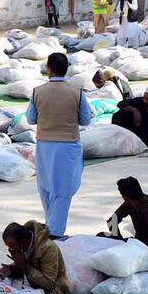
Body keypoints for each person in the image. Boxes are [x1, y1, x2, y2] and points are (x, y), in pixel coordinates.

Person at [27, 52, 91, 237]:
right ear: (66, 69)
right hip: (68, 145)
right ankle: (54, 231)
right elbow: (85, 120)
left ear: (49, 68)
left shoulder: (37, 91)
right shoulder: (77, 92)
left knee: (46, 186)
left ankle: (50, 225)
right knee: (63, 189)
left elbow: (31, 118)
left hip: (45, 145)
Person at [0, 220, 73, 294]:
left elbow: (49, 284)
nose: (11, 250)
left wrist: (24, 265)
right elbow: (21, 268)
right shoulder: (23, 246)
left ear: (23, 242)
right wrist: (11, 269)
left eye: (13, 246)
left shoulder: (48, 248)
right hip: (27, 284)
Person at [113, 85, 148, 149]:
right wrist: (135, 111)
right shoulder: (140, 101)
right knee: (120, 114)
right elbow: (120, 103)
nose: (145, 101)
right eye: (144, 98)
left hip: (144, 134)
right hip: (131, 129)